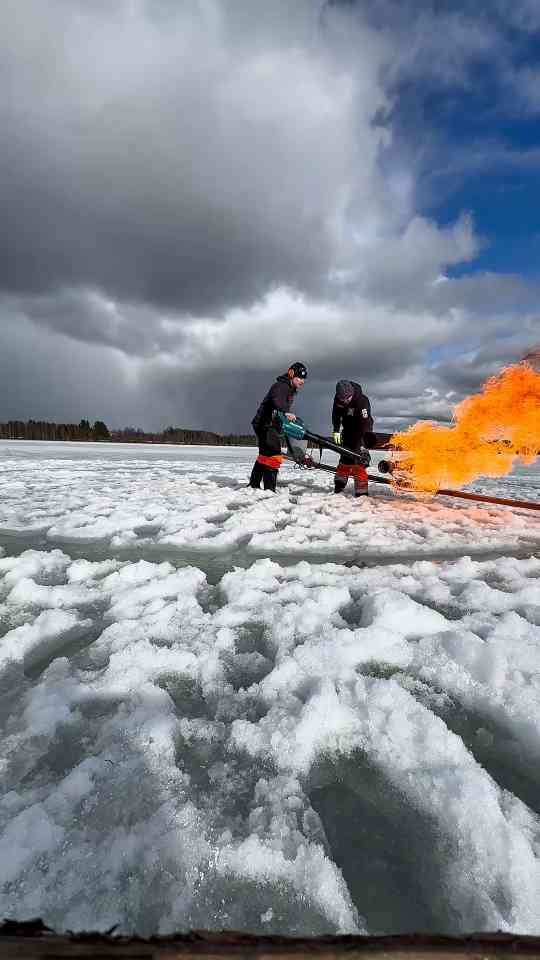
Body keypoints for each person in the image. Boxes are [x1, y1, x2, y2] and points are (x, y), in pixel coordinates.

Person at [249, 362, 308, 491]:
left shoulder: (289, 388)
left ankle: (253, 485)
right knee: (274, 454)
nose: (302, 381)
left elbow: (280, 406)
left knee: (265, 455)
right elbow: (277, 401)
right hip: (265, 424)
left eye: (304, 378)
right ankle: (269, 490)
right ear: (291, 374)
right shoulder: (281, 386)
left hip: (265, 424)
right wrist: (286, 412)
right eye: (299, 378)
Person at [331, 379, 373, 497]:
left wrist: (363, 445)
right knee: (345, 458)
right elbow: (336, 415)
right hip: (347, 430)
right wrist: (336, 431)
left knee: (358, 460)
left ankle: (361, 492)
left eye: (347, 398)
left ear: (352, 393)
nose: (345, 401)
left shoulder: (362, 401)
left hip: (361, 431)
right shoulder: (338, 399)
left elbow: (366, 423)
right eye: (342, 399)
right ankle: (339, 485)